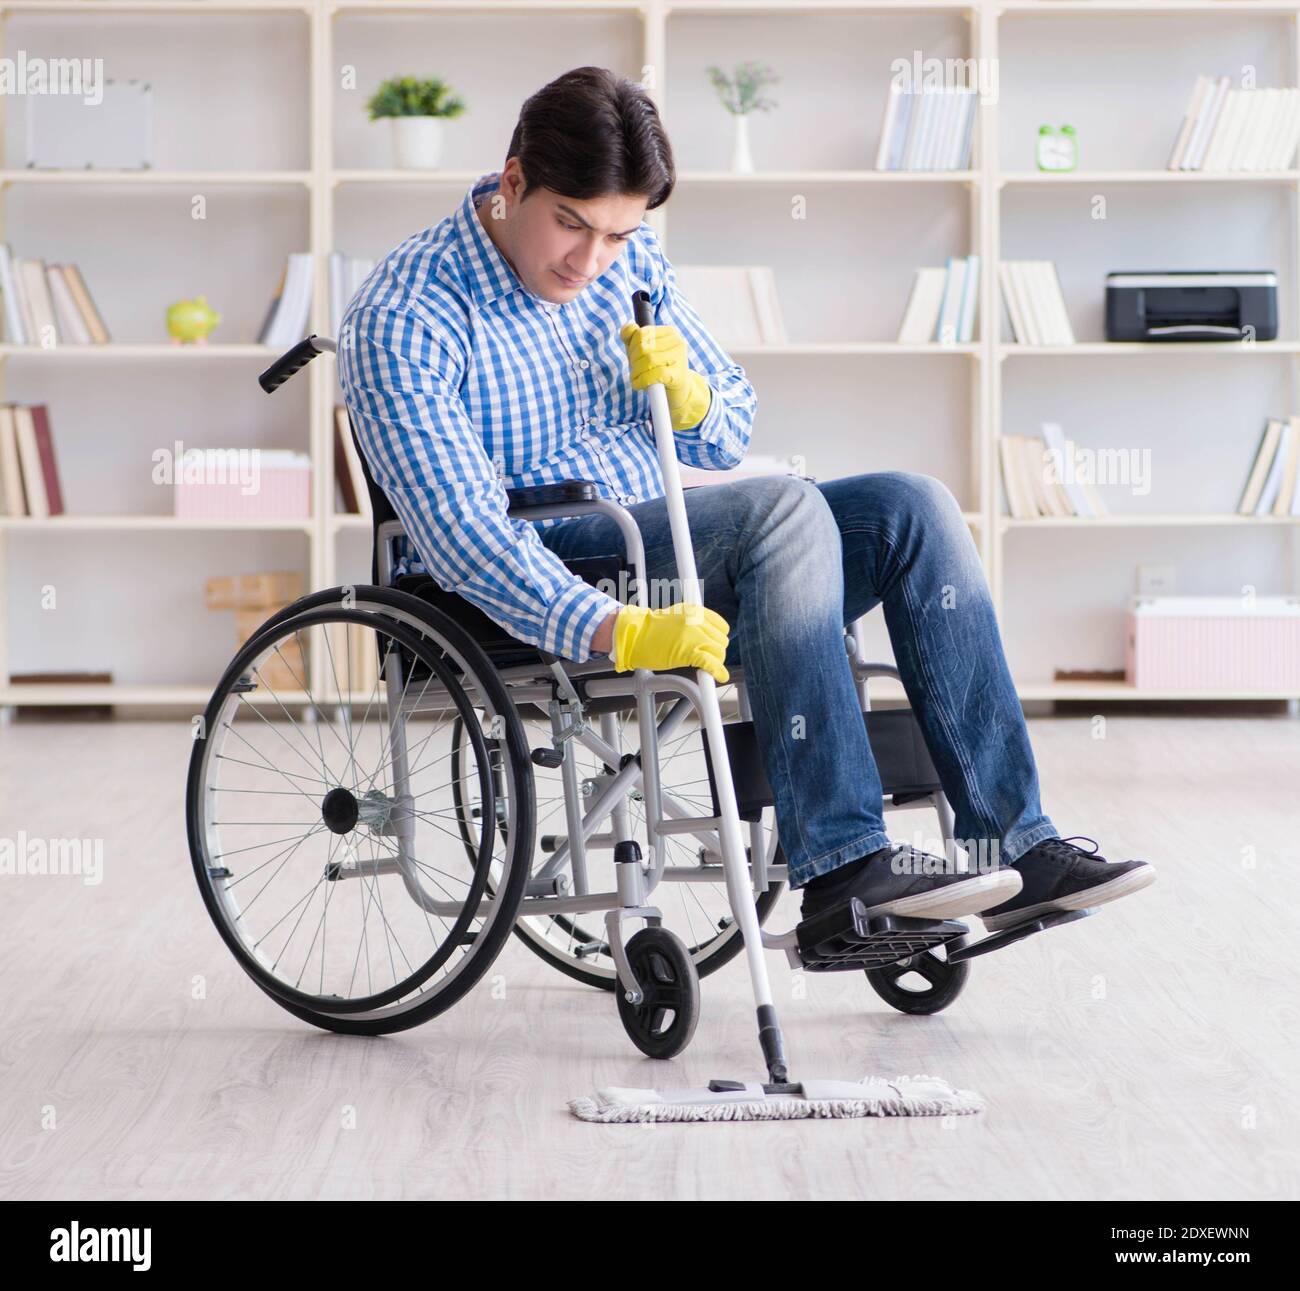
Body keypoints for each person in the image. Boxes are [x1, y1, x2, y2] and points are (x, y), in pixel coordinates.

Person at [336, 66, 1156, 928]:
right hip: (536, 577)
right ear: (512, 184)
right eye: (570, 225)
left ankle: (1015, 847)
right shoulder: (406, 314)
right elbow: (464, 537)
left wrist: (689, 393)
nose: (589, 261)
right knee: (780, 509)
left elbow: (727, 425)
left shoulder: (628, 262)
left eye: (617, 235)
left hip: (675, 547)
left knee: (911, 506)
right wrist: (611, 627)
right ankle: (845, 870)